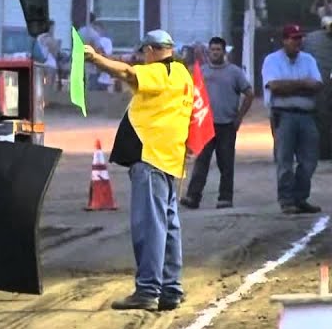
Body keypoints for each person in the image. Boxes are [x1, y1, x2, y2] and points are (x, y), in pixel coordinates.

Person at [85, 29, 194, 311]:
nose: (143, 58)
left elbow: (127, 73)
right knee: (168, 226)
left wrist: (95, 58)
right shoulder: (182, 74)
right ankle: (171, 288)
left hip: (151, 158)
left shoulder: (161, 71)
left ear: (151, 50)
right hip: (169, 158)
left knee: (149, 227)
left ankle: (148, 289)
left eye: (144, 53)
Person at [181, 37, 254, 210]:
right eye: (212, 50)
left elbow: (249, 93)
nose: (215, 53)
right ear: (208, 52)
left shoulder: (234, 72)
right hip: (205, 125)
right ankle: (193, 197)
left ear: (224, 52)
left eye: (218, 50)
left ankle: (225, 198)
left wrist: (239, 117)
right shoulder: (201, 72)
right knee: (201, 162)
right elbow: (191, 96)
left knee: (226, 163)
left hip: (227, 125)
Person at [261, 24, 323, 214]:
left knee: (309, 160)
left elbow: (317, 85)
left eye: (299, 38)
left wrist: (289, 86)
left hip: (306, 114)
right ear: (284, 40)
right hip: (283, 114)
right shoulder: (272, 60)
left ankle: (300, 198)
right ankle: (287, 200)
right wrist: (303, 84)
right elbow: (275, 87)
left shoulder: (308, 59)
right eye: (294, 38)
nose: (298, 42)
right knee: (285, 160)